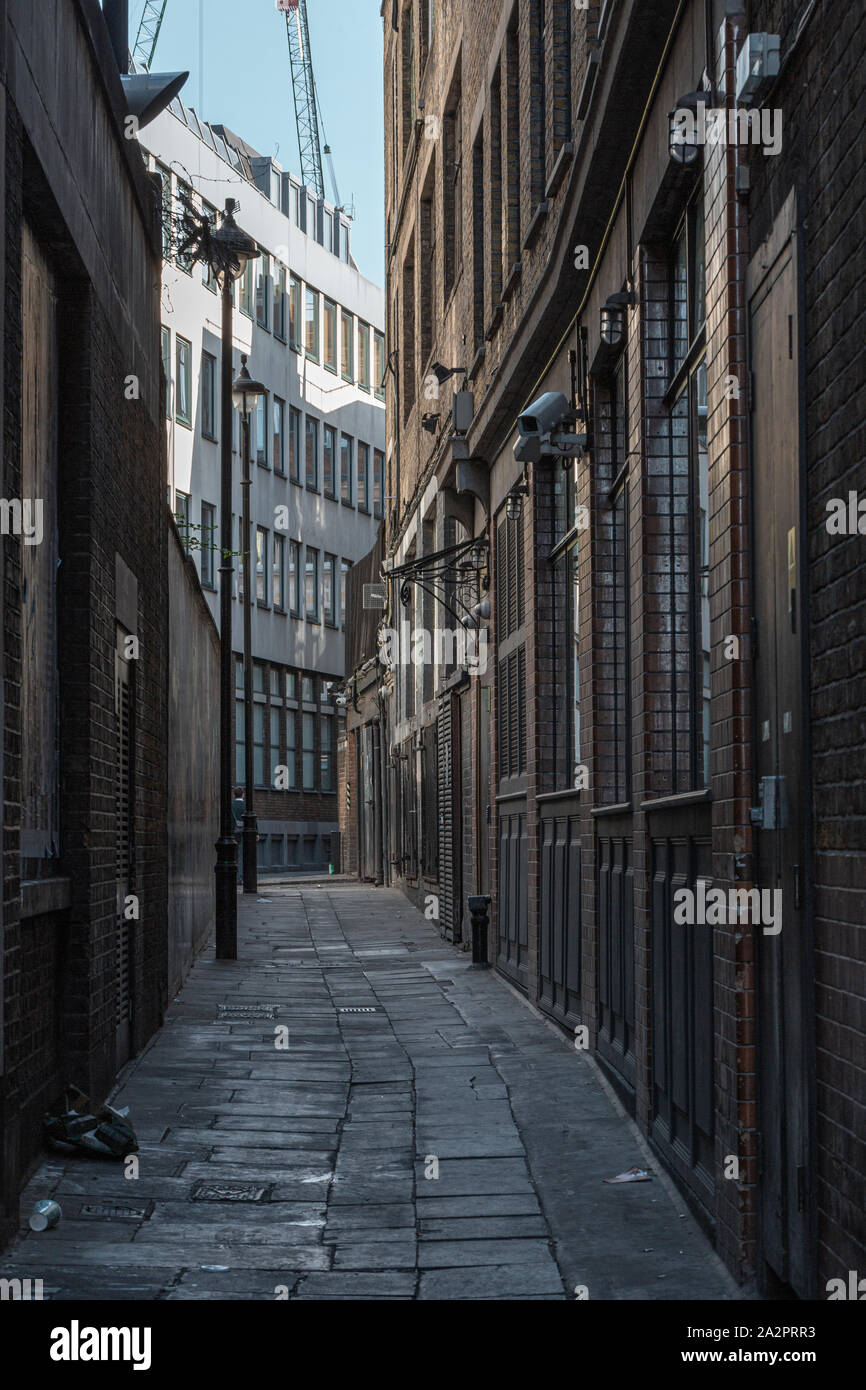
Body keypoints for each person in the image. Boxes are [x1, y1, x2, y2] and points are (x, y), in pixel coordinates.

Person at [231, 786, 245, 884]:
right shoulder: (246, 805)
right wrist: (256, 833)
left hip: (234, 832)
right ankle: (242, 877)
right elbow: (253, 819)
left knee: (235, 856)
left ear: (234, 795)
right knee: (244, 855)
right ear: (243, 794)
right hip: (245, 832)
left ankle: (235, 877)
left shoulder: (231, 805)